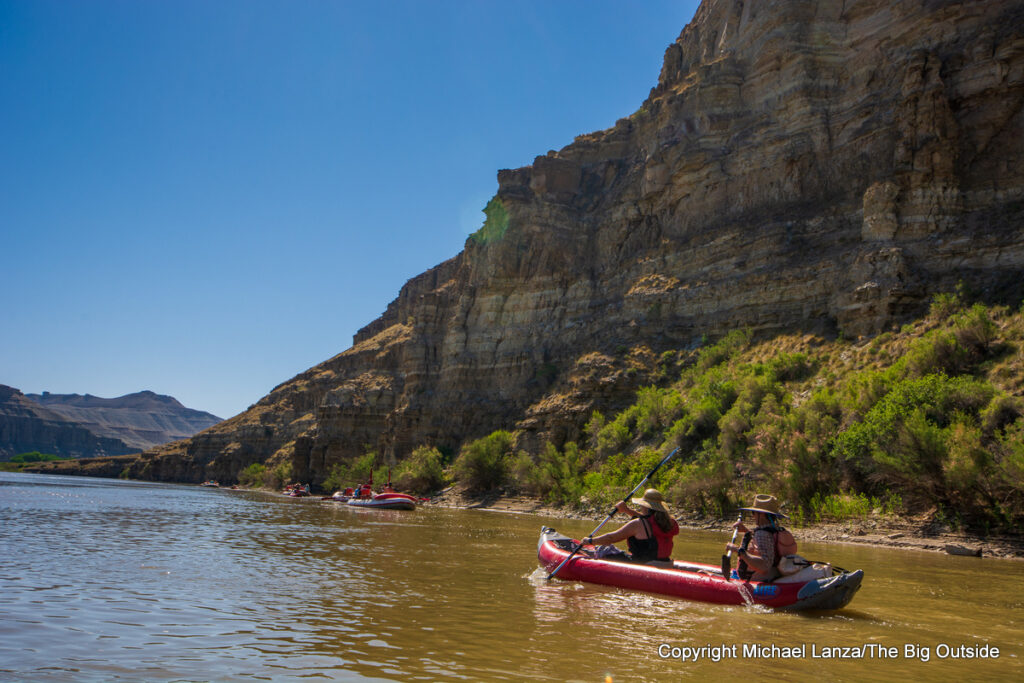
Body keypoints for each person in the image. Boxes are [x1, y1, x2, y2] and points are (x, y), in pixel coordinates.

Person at [585, 489, 680, 563]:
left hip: (643, 564)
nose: (641, 507)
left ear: (646, 507)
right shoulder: (668, 522)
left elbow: (611, 538)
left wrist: (590, 541)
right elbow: (648, 521)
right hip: (665, 562)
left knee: (604, 548)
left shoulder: (637, 524)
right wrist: (626, 510)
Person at [724, 493, 796, 582]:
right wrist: (747, 531)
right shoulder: (777, 530)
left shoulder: (762, 534)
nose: (753, 516)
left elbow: (764, 566)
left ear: (761, 514)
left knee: (704, 573)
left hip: (759, 579)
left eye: (753, 513)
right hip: (775, 575)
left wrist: (737, 550)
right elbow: (768, 544)